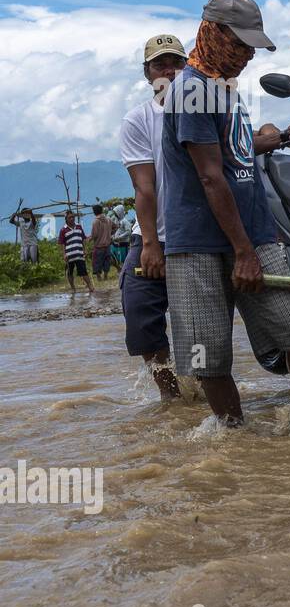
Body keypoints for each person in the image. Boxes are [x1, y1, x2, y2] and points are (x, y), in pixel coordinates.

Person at [160, 0, 290, 426]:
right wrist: (242, 252)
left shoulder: (223, 85)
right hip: (200, 242)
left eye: (252, 46)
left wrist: (281, 137)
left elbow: (236, 152)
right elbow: (210, 176)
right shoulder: (192, 90)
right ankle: (234, 433)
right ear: (215, 33)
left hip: (253, 230)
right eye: (241, 43)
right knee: (209, 353)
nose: (248, 54)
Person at [119, 33, 188, 401]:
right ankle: (172, 396)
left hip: (196, 235)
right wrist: (149, 244)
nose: (170, 70)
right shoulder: (138, 120)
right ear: (148, 73)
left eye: (177, 62)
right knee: (142, 314)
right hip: (154, 234)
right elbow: (144, 188)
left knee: (201, 320)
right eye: (161, 63)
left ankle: (207, 386)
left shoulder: (205, 110)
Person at [57, 210, 95, 296]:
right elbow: (62, 243)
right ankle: (73, 288)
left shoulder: (79, 226)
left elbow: (83, 239)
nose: (72, 219)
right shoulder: (63, 230)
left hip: (79, 253)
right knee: (70, 273)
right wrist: (64, 254)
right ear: (66, 219)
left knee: (83, 271)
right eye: (70, 217)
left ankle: (90, 287)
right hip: (69, 255)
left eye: (73, 217)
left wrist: (84, 250)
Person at [90, 204, 113, 280]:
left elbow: (95, 234)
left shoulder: (96, 221)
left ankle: (99, 277)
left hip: (99, 246)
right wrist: (109, 234)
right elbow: (115, 227)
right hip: (107, 245)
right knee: (107, 261)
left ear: (94, 212)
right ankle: (105, 276)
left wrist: (90, 238)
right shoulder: (108, 219)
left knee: (97, 262)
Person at [109, 204, 132, 270]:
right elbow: (118, 230)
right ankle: (120, 269)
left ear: (119, 212)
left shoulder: (125, 221)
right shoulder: (119, 220)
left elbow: (128, 232)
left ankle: (124, 270)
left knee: (124, 259)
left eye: (116, 213)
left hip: (123, 243)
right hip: (117, 243)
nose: (115, 215)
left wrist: (119, 237)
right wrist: (113, 236)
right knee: (114, 257)